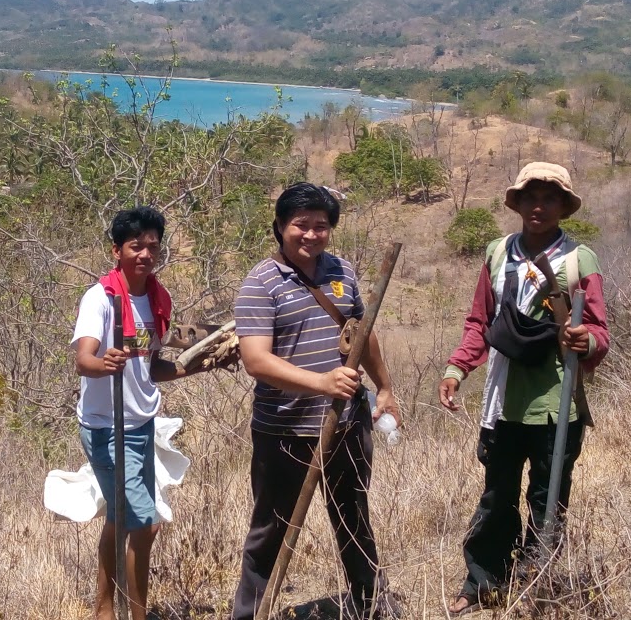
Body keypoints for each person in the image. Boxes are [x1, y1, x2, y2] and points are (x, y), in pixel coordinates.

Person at [438, 162, 610, 614]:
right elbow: (480, 321)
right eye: (531, 197)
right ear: (517, 202)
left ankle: (538, 582)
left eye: (550, 198)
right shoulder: (498, 254)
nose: (539, 206)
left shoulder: (578, 260)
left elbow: (598, 331)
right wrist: (457, 369)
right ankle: (481, 582)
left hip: (556, 401)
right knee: (496, 494)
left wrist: (583, 339)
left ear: (562, 207)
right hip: (502, 401)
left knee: (547, 496)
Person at [231, 183, 401, 620]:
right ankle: (251, 613)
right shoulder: (261, 282)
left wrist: (383, 386)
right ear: (280, 228)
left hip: (347, 423)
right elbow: (256, 360)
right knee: (271, 528)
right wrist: (321, 382)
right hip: (285, 429)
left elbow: (363, 332)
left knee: (353, 518)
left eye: (320, 226)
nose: (310, 235)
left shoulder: (342, 271)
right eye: (300, 225)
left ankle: (371, 604)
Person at [72, 205, 227, 620]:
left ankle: (105, 611)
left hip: (141, 424)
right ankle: (134, 614)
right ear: (116, 251)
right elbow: (83, 358)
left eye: (152, 246)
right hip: (106, 427)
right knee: (146, 524)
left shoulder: (157, 299)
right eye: (135, 246)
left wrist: (196, 364)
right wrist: (103, 362)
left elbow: (151, 366)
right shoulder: (101, 298)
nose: (144, 253)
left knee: (120, 518)